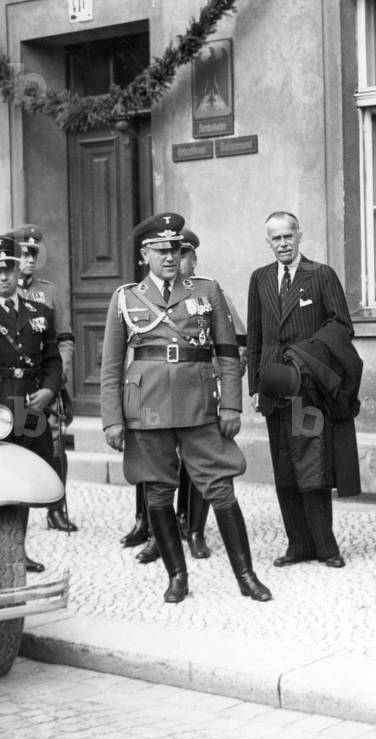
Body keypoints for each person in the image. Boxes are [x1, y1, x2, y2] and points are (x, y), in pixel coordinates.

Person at [100, 212, 271, 604]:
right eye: (161, 250)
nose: (170, 256)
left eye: (175, 249)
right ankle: (177, 577)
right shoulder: (126, 297)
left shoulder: (206, 291)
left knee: (221, 488)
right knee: (158, 492)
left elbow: (228, 353)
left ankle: (246, 576)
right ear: (145, 254)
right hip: (146, 409)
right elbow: (110, 365)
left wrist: (231, 405)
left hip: (199, 405)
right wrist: (112, 419)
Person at [248, 212, 358, 570]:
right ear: (268, 242)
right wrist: (254, 384)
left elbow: (342, 326)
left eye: (288, 237)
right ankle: (297, 544)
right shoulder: (260, 279)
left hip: (308, 389)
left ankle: (325, 546)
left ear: (299, 236)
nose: (283, 244)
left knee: (313, 467)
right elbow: (255, 337)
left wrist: (305, 356)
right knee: (284, 469)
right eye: (275, 238)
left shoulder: (321, 275)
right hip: (273, 389)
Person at [174, 228, 247, 559]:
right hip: (170, 393)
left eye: (185, 255)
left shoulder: (212, 294)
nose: (179, 262)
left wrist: (222, 384)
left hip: (207, 390)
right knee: (165, 461)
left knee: (203, 463)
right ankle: (163, 527)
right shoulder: (154, 296)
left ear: (194, 259)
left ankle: (195, 530)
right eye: (174, 255)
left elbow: (237, 345)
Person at [9, 225, 76, 533]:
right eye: (24, 253)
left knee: (53, 447)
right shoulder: (6, 290)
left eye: (34, 253)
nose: (30, 260)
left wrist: (57, 381)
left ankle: (55, 508)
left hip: (42, 388)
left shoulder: (47, 292)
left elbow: (62, 339)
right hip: (9, 392)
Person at [0, 234, 60, 574]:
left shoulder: (40, 312)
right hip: (0, 410)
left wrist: (50, 390)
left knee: (24, 481)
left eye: (8, 268)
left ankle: (15, 551)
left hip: (30, 408)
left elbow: (52, 359)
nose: (4, 276)